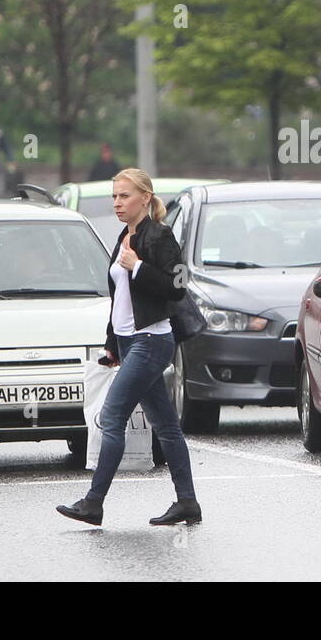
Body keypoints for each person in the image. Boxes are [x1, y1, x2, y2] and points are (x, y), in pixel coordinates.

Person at [57, 168, 201, 528]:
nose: (117, 203)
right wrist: (112, 346)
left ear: (145, 199)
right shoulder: (126, 235)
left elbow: (178, 285)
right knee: (166, 426)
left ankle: (93, 503)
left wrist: (138, 267)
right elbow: (119, 299)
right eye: (114, 196)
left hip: (152, 341)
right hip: (130, 342)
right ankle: (188, 503)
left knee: (112, 416)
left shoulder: (159, 236)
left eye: (124, 196)